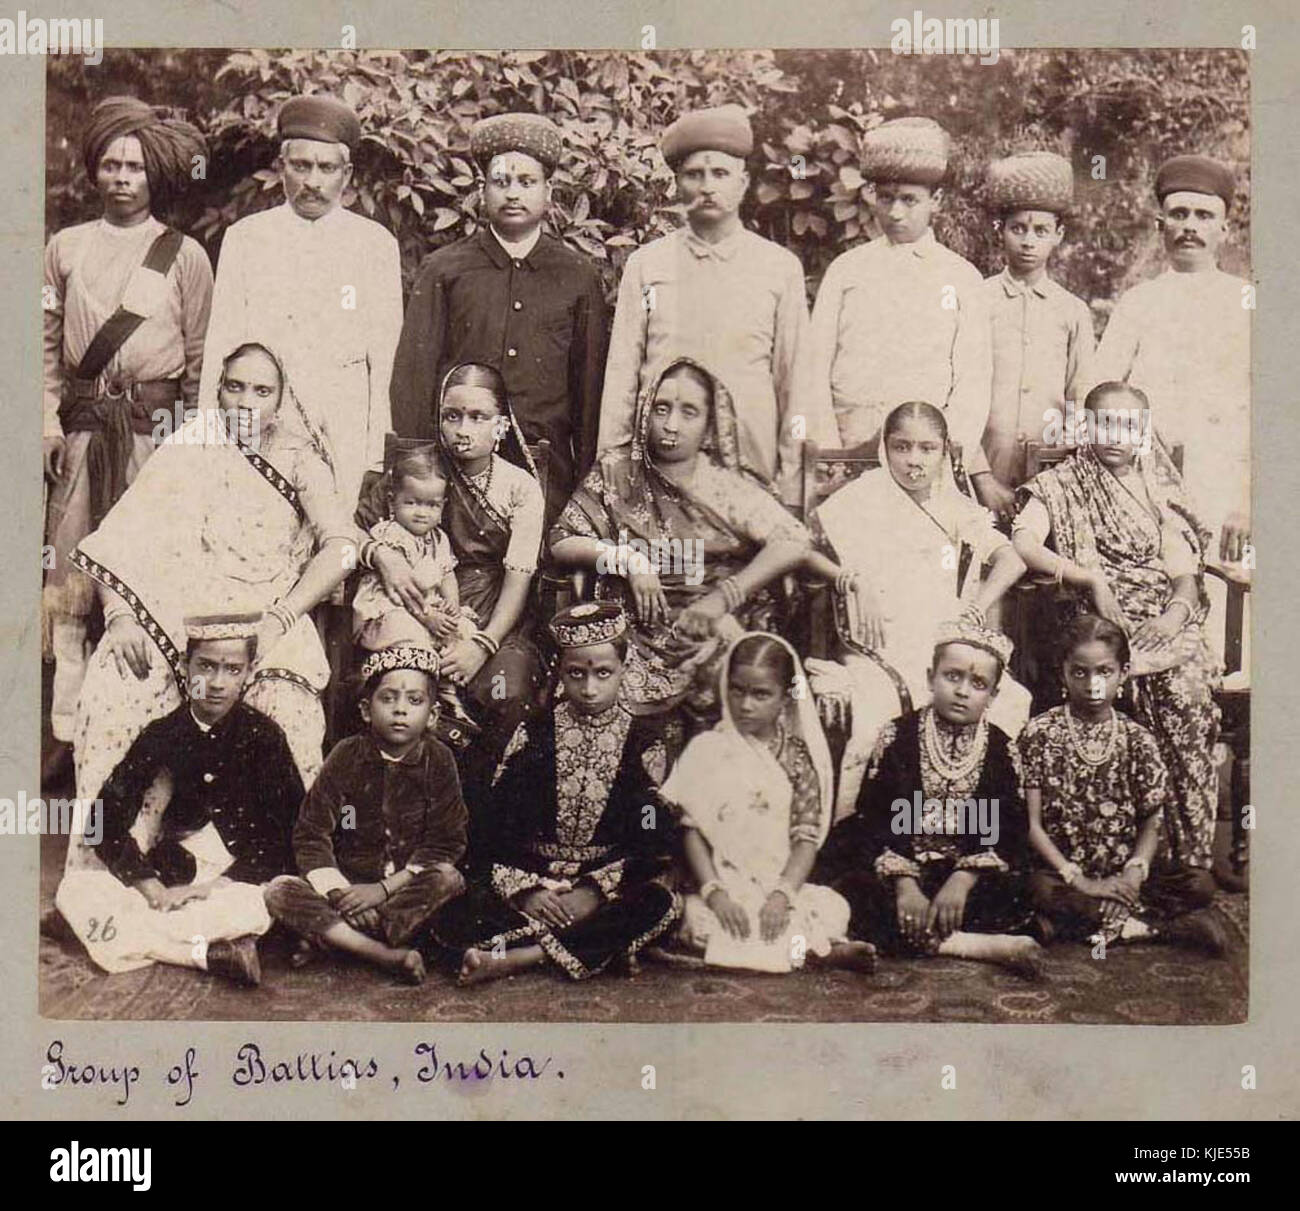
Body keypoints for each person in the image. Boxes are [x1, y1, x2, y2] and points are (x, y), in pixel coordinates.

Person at [66, 342, 380, 857]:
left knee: (285, 708)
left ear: (282, 400)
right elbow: (123, 533)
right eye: (235, 387)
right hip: (180, 604)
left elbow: (343, 546)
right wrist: (120, 615)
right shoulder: (192, 443)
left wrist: (282, 616)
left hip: (269, 610)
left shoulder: (301, 459)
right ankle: (109, 860)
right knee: (118, 678)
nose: (246, 402)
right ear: (218, 389)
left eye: (262, 390)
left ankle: (272, 874)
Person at [43, 96, 213, 770]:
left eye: (134, 167)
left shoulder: (185, 256)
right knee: (71, 582)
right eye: (110, 165)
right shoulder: (66, 247)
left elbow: (200, 361)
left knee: (146, 577)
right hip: (85, 435)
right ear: (94, 173)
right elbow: (45, 343)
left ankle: (142, 741)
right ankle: (65, 737)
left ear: (153, 176)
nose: (121, 177)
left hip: (157, 438)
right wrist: (46, 420)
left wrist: (197, 450)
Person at [1012, 381, 1221, 890]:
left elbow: (1183, 571)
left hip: (1160, 616)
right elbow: (1023, 542)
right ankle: (1119, 853)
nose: (1115, 435)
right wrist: (1088, 578)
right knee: (1111, 672)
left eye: (1128, 425)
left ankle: (1186, 855)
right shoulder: (1063, 482)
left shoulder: (1158, 486)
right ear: (1086, 426)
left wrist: (1173, 615)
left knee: (1187, 688)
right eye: (1104, 422)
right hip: (1094, 617)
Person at [551, 356, 811, 732]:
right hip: (632, 632)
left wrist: (724, 596)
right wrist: (628, 560)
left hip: (710, 628)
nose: (671, 425)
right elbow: (561, 541)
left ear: (709, 426)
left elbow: (795, 541)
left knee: (749, 687)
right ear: (645, 412)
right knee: (596, 692)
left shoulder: (722, 484)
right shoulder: (617, 470)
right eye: (662, 408)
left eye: (689, 412)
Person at [431, 604, 681, 984]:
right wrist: (526, 892)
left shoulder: (645, 742)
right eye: (576, 674)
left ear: (624, 670)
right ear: (559, 672)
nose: (589, 688)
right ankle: (597, 949)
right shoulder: (533, 733)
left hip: (602, 888)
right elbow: (495, 826)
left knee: (658, 904)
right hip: (533, 878)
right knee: (451, 914)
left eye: (603, 673)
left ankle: (520, 957)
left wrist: (593, 892)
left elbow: (651, 842)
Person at [803, 401, 1029, 817]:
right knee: (876, 712)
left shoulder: (955, 505)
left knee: (1009, 698)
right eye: (901, 447)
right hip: (875, 641)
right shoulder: (862, 497)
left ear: (945, 451)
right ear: (884, 450)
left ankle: (966, 827)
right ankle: (870, 829)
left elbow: (1012, 560)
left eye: (927, 449)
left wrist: (976, 609)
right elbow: (802, 550)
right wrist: (845, 576)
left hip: (941, 636)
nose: (913, 461)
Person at [55, 613, 303, 985]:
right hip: (173, 879)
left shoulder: (264, 737)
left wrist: (212, 887)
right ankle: (208, 954)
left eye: (232, 670)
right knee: (76, 890)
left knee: (257, 905)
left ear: (249, 674)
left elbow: (290, 831)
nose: (217, 683)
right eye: (205, 666)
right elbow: (101, 822)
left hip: (235, 883)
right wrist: (151, 886)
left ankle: (162, 942)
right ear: (186, 667)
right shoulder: (163, 734)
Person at [598, 105, 831, 501]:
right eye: (694, 174)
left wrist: (793, 474)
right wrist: (614, 454)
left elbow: (795, 381)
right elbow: (623, 370)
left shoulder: (778, 268)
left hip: (750, 464)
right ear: (677, 185)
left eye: (720, 173)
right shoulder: (647, 264)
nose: (707, 186)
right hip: (663, 460)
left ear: (742, 183)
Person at [389, 112, 608, 524]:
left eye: (526, 182)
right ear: (481, 190)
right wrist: (419, 471)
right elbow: (414, 381)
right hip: (455, 476)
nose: (513, 194)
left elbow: (590, 395)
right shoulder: (444, 270)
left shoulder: (578, 276)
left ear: (549, 191)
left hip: (548, 477)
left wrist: (584, 493)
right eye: (501, 181)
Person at [198, 93, 402, 510]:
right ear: (281, 167)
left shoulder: (375, 244)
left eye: (326, 168)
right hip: (261, 414)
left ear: (346, 174)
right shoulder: (246, 238)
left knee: (334, 541)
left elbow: (385, 358)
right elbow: (221, 345)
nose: (313, 181)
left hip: (342, 417)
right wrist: (211, 435)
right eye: (301, 166)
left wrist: (376, 456)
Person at [814, 619, 1045, 978]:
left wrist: (964, 879)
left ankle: (930, 937)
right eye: (952, 677)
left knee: (1018, 890)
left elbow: (1009, 829)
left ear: (994, 696)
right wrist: (905, 884)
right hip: (900, 867)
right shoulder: (898, 737)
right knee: (859, 890)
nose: (963, 691)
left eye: (978, 683)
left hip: (965, 874)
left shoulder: (1001, 749)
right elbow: (874, 820)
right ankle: (976, 946)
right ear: (930, 678)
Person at [365, 363, 548, 798]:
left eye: (477, 417)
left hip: (497, 615)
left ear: (502, 424)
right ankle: (401, 812)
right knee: (405, 686)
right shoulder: (419, 471)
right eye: (452, 416)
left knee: (507, 689)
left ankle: (476, 816)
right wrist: (381, 554)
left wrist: (481, 644)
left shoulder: (520, 489)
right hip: (415, 607)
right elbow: (352, 531)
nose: (462, 429)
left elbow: (519, 578)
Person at [803, 116, 1001, 511]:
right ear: (872, 194)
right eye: (886, 197)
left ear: (936, 201)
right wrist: (829, 450)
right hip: (849, 455)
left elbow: (973, 382)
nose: (895, 212)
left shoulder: (960, 277)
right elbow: (814, 364)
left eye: (909, 200)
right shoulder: (847, 271)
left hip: (924, 461)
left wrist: (944, 451)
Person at [661, 633, 876, 974]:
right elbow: (692, 832)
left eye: (760, 694)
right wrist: (715, 893)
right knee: (694, 916)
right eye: (737, 690)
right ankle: (811, 954)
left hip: (778, 883)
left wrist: (782, 896)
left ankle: (791, 949)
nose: (745, 705)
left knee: (833, 908)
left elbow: (805, 839)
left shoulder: (798, 758)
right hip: (721, 883)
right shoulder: (708, 749)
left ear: (786, 699)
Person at [1021, 615, 1228, 954]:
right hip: (1065, 871)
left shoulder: (1138, 739)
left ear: (1124, 672)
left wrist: (1133, 873)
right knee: (1037, 889)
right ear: (1063, 672)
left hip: (1123, 868)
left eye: (1104, 671)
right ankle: (1149, 928)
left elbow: (1152, 819)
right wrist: (1082, 881)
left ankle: (1086, 921)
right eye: (1080, 672)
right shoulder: (1039, 734)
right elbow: (1032, 826)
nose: (1093, 685)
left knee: (1199, 883)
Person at [265, 646, 468, 985]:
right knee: (279, 890)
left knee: (448, 878)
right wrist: (339, 892)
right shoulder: (346, 755)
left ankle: (336, 940)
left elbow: (447, 840)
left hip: (402, 889)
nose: (400, 710)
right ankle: (383, 953)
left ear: (432, 715)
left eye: (414, 701)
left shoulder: (439, 759)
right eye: (388, 699)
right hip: (348, 887)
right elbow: (312, 834)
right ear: (365, 709)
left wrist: (384, 890)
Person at [1093, 154, 1250, 566]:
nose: (1190, 226)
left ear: (1224, 228)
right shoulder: (1139, 302)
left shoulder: (1248, 302)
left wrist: (1251, 501)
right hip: (1148, 486)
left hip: (1228, 491)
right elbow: (1096, 393)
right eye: (1179, 214)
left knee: (1227, 614)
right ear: (1161, 224)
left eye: (1203, 215)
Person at [980, 151, 1095, 494]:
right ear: (1001, 230)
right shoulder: (978, 299)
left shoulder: (1072, 311)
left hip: (1050, 471)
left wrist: (1067, 474)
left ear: (1059, 234)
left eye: (1041, 230)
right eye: (1018, 229)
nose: (1029, 241)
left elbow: (1080, 395)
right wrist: (979, 474)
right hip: (983, 466)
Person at [352, 446, 478, 730]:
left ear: (442, 506)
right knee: (411, 637)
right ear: (391, 501)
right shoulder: (390, 534)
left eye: (431, 505)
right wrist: (428, 617)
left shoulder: (439, 539)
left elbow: (447, 574)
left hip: (425, 608)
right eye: (412, 503)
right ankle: (425, 698)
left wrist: (452, 606)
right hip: (391, 609)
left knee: (463, 633)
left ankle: (446, 698)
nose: (422, 513)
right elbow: (403, 591)